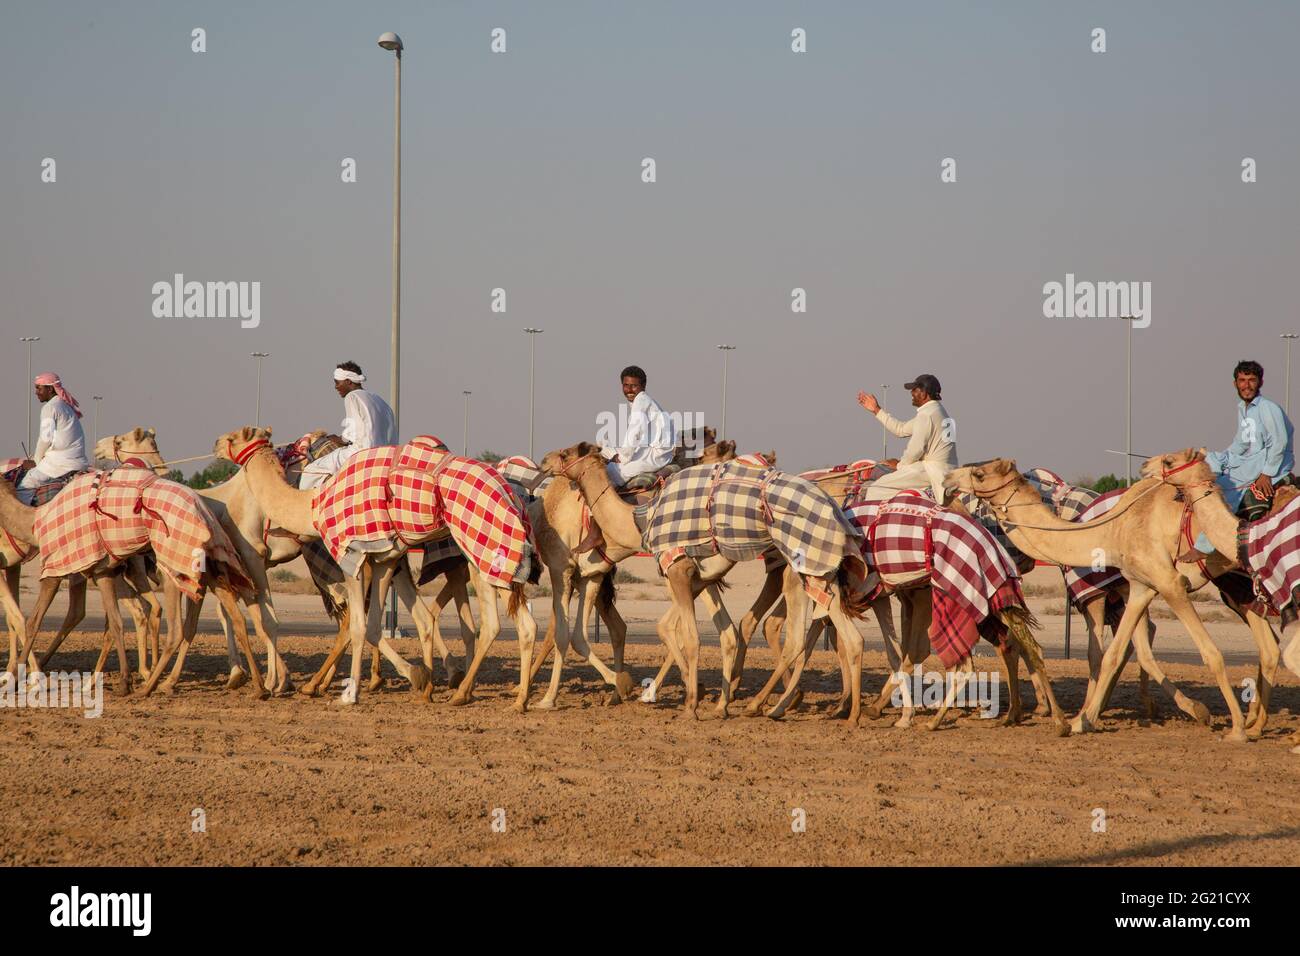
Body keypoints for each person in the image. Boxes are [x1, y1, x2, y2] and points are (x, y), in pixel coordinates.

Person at [1203, 360, 1295, 523]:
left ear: (1260, 382)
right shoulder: (1243, 408)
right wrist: (1222, 461)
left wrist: (1267, 473)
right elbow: (1241, 444)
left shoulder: (1267, 407)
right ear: (1235, 383)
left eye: (1252, 380)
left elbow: (1280, 441)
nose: (1247, 385)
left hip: (1270, 464)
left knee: (1226, 493)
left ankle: (1211, 543)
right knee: (1211, 468)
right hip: (1251, 462)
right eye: (1242, 380)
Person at [856, 373, 958, 503]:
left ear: (924, 393)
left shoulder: (926, 415)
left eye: (915, 390)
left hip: (932, 472)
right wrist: (876, 410)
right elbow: (900, 429)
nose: (911, 393)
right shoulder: (938, 412)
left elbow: (915, 450)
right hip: (947, 470)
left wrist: (899, 465)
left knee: (876, 489)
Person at [298, 361, 398, 490]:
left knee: (310, 472)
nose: (336, 387)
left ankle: (309, 506)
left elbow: (352, 431)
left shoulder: (352, 396)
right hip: (387, 455)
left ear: (349, 382)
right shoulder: (381, 401)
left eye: (337, 382)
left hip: (361, 453)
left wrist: (340, 439)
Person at [18, 372, 90, 504]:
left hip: (61, 463)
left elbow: (46, 438)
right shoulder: (65, 406)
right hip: (76, 461)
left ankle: (24, 520)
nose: (36, 392)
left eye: (39, 388)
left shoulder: (50, 407)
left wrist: (36, 462)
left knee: (24, 487)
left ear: (50, 389)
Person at [600, 365, 676, 486]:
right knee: (604, 449)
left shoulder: (641, 401)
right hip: (650, 450)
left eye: (634, 386)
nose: (629, 390)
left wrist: (622, 458)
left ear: (643, 386)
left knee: (611, 473)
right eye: (626, 385)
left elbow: (635, 432)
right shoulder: (642, 401)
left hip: (656, 456)